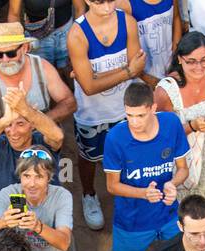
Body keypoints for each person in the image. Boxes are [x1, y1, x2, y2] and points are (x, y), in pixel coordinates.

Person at [104, 81, 189, 251]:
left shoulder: (171, 125)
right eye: (129, 115)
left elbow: (182, 170)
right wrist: (143, 193)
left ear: (153, 108)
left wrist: (173, 185)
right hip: (133, 218)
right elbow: (112, 186)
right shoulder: (116, 138)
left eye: (140, 115)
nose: (134, 122)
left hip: (167, 213)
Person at [69, 0, 145, 231]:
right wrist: (127, 71)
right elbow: (89, 88)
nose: (107, 5)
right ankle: (89, 195)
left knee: (129, 155)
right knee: (88, 157)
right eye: (100, 0)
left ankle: (130, 195)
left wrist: (95, 76)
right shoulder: (77, 34)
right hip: (92, 114)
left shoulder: (128, 22)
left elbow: (138, 67)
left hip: (125, 109)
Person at [154, 31, 205, 223]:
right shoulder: (166, 91)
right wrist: (192, 125)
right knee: (183, 211)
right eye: (192, 61)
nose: (199, 67)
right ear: (180, 59)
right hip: (180, 159)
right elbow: (161, 135)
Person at [0, 148, 75, 251]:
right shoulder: (7, 193)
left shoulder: (61, 196)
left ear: (49, 178)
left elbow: (64, 243)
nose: (32, 184)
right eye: (27, 176)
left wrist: (38, 226)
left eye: (39, 177)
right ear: (19, 175)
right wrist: (3, 222)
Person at [0, 20, 76, 135]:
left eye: (11, 54)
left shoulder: (42, 66)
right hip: (6, 142)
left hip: (40, 138)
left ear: (25, 48)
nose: (5, 60)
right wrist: (16, 126)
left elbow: (69, 103)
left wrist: (37, 121)